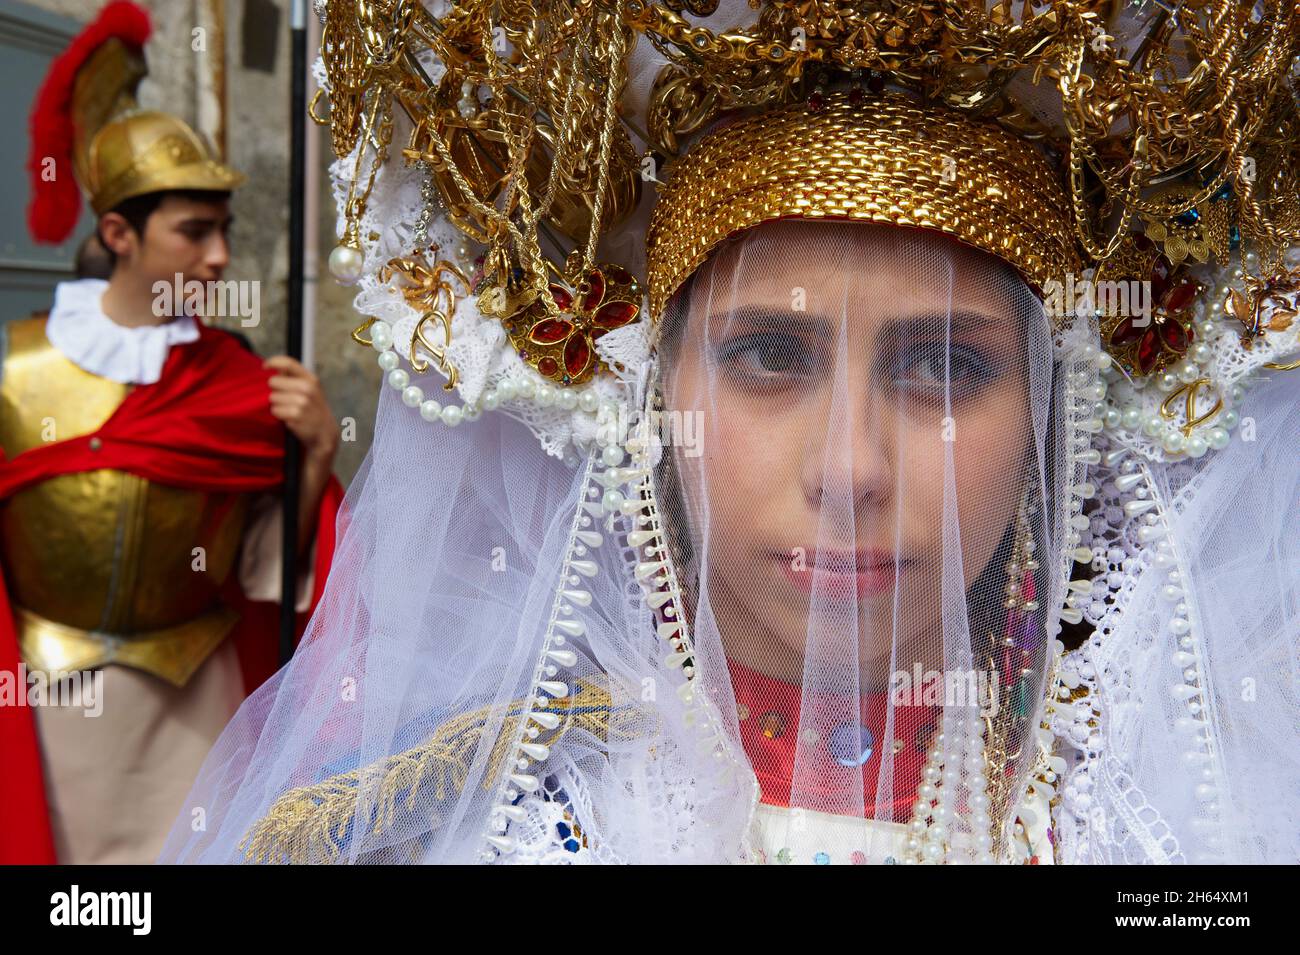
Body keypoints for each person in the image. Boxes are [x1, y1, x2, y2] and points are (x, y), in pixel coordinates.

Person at [161, 0, 1299, 864]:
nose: (849, 468)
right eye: (769, 356)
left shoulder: (1195, 819)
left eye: (945, 365)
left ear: (1053, 404)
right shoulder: (463, 824)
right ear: (647, 392)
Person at [0, 1, 343, 864]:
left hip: (197, 706)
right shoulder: (14, 373)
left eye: (222, 229)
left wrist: (311, 463)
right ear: (119, 234)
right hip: (49, 709)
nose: (220, 256)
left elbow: (271, 575)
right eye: (194, 231)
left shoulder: (236, 380)